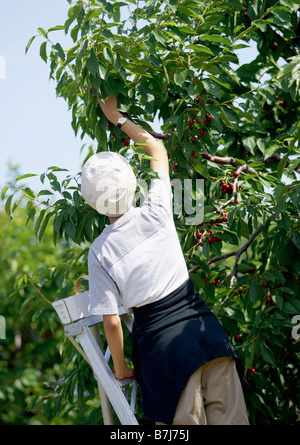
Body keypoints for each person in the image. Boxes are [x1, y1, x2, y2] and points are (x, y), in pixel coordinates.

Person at [81, 96, 249, 425]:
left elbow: (112, 321)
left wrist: (120, 367)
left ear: (92, 204)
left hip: (166, 360)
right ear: (132, 185)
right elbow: (157, 150)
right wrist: (117, 118)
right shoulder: (157, 210)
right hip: (210, 340)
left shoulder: (100, 252)